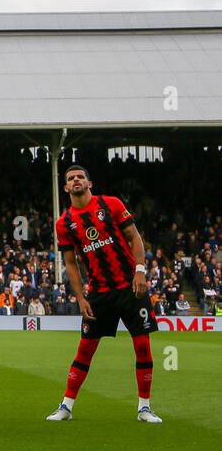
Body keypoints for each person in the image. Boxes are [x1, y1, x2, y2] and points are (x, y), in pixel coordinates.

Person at [46, 165, 160, 423]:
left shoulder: (111, 204)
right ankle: (66, 406)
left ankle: (144, 408)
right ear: (65, 187)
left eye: (80, 177)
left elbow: (134, 237)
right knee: (85, 349)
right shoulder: (64, 223)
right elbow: (71, 263)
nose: (75, 180)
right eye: (70, 178)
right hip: (99, 293)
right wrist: (80, 297)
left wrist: (140, 271)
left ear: (89, 183)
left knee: (142, 345)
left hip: (131, 287)